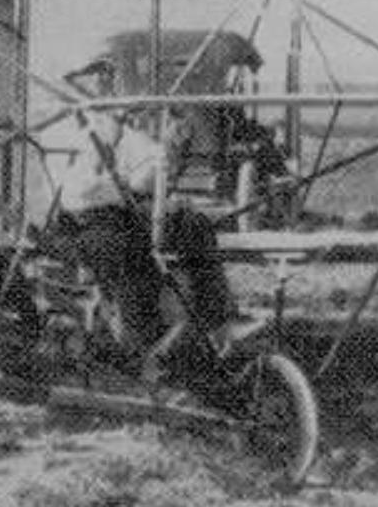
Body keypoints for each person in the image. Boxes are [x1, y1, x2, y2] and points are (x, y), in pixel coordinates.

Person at [40, 64, 241, 379]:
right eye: (99, 82)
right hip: (81, 222)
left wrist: (167, 156)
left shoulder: (118, 128)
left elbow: (147, 171)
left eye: (109, 81)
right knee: (126, 248)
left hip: (123, 212)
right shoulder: (64, 128)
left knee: (195, 225)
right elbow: (76, 193)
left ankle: (216, 320)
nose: (107, 88)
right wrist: (121, 184)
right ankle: (138, 346)